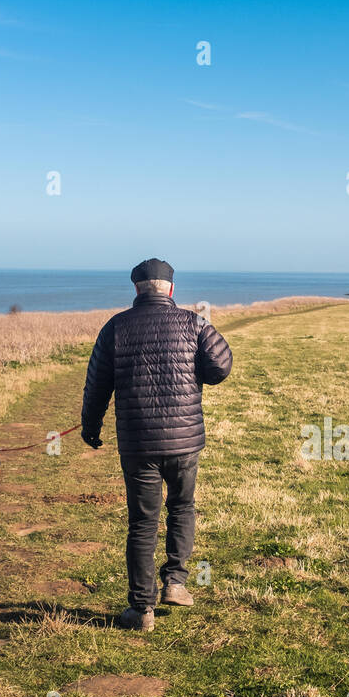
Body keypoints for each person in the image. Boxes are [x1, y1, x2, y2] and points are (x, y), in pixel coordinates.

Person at [80, 259, 233, 631]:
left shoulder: (115, 328)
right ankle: (176, 583)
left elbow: (97, 384)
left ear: (136, 289)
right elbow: (221, 368)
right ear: (170, 289)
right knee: (182, 507)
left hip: (137, 444)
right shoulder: (194, 323)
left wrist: (91, 425)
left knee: (142, 523)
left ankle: (142, 610)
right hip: (184, 442)